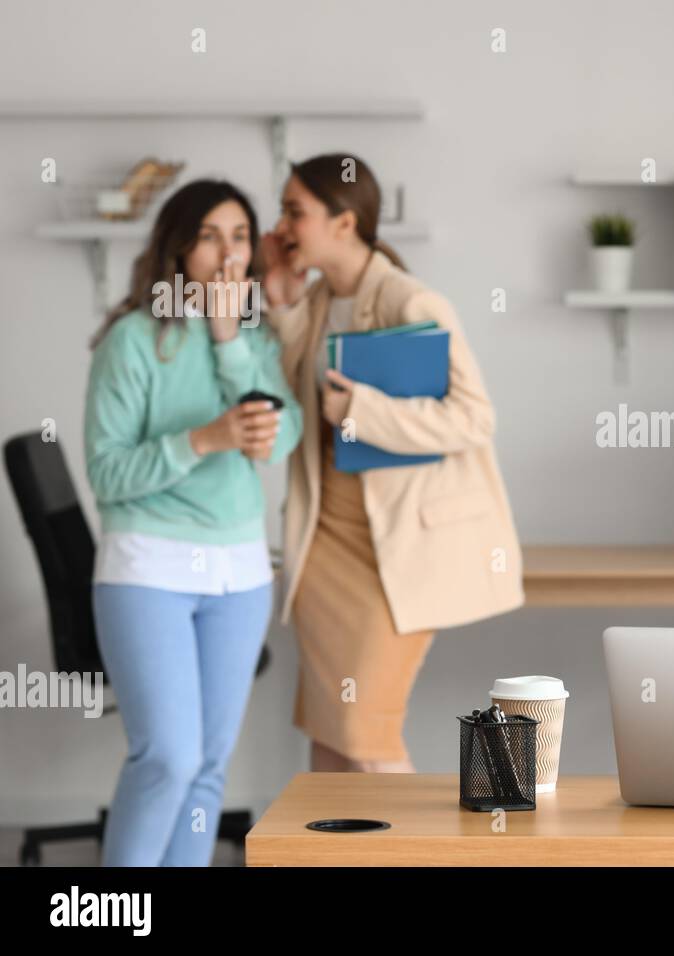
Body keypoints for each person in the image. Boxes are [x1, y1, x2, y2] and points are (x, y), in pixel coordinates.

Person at [259, 153, 524, 773]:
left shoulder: (412, 301)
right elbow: (296, 399)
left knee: (365, 735)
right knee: (329, 736)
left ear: (344, 223)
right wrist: (282, 302)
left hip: (391, 553)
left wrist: (365, 410)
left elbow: (475, 417)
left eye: (295, 211)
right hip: (327, 544)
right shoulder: (321, 301)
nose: (282, 226)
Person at [85, 179, 303, 865]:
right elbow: (107, 473)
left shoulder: (256, 336)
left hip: (239, 575)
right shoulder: (132, 340)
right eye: (210, 235)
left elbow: (283, 435)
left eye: (240, 236)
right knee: (168, 760)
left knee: (209, 767)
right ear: (178, 247)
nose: (227, 251)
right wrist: (201, 440)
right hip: (147, 570)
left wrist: (226, 336)